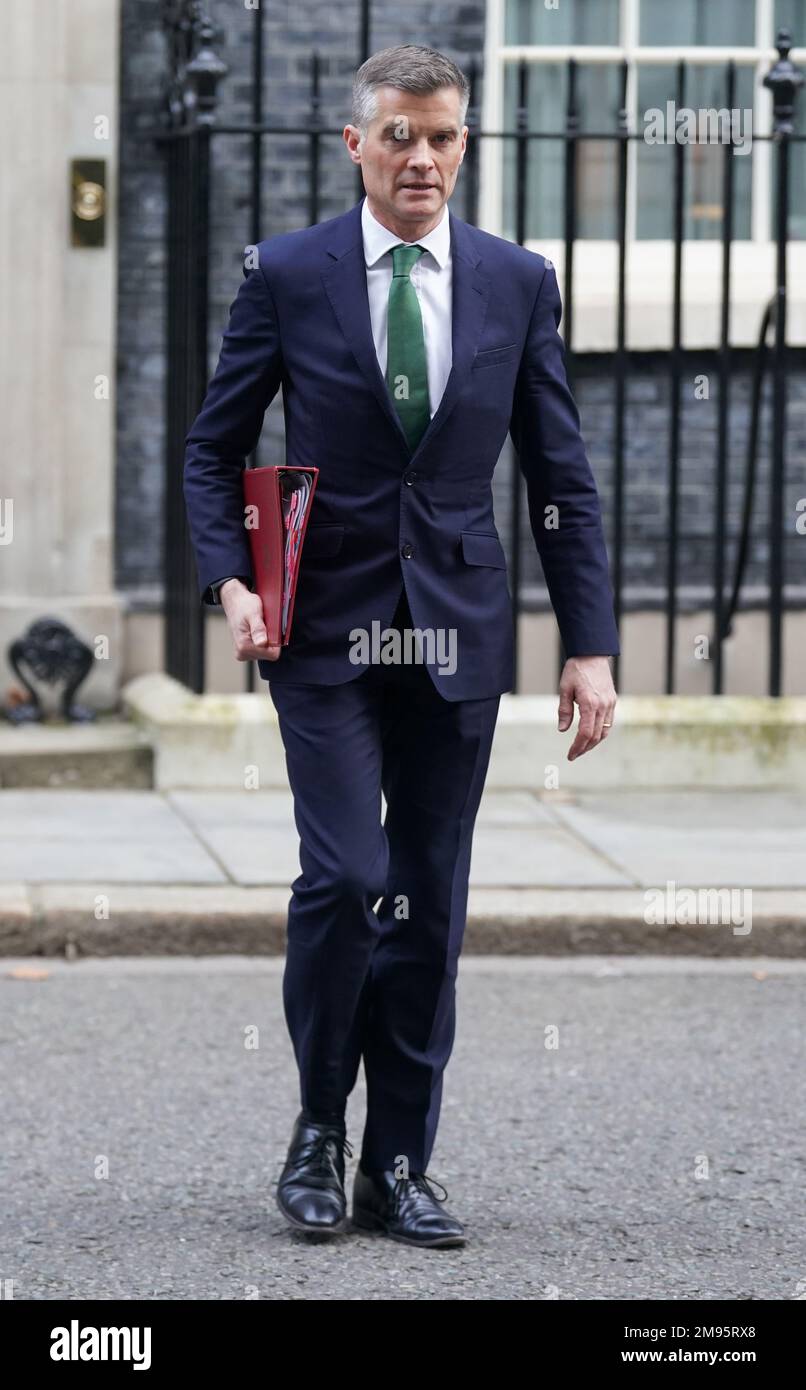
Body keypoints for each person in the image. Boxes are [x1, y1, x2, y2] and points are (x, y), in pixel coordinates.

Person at [183, 44, 619, 1249]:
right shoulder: (287, 273)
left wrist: (588, 644)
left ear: (462, 144)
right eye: (396, 137)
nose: (419, 157)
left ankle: (400, 1160)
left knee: (427, 900)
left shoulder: (515, 281)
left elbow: (559, 478)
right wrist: (229, 579)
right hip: (322, 630)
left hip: (456, 636)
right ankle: (318, 1130)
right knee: (343, 876)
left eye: (440, 137)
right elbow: (213, 448)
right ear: (355, 145)